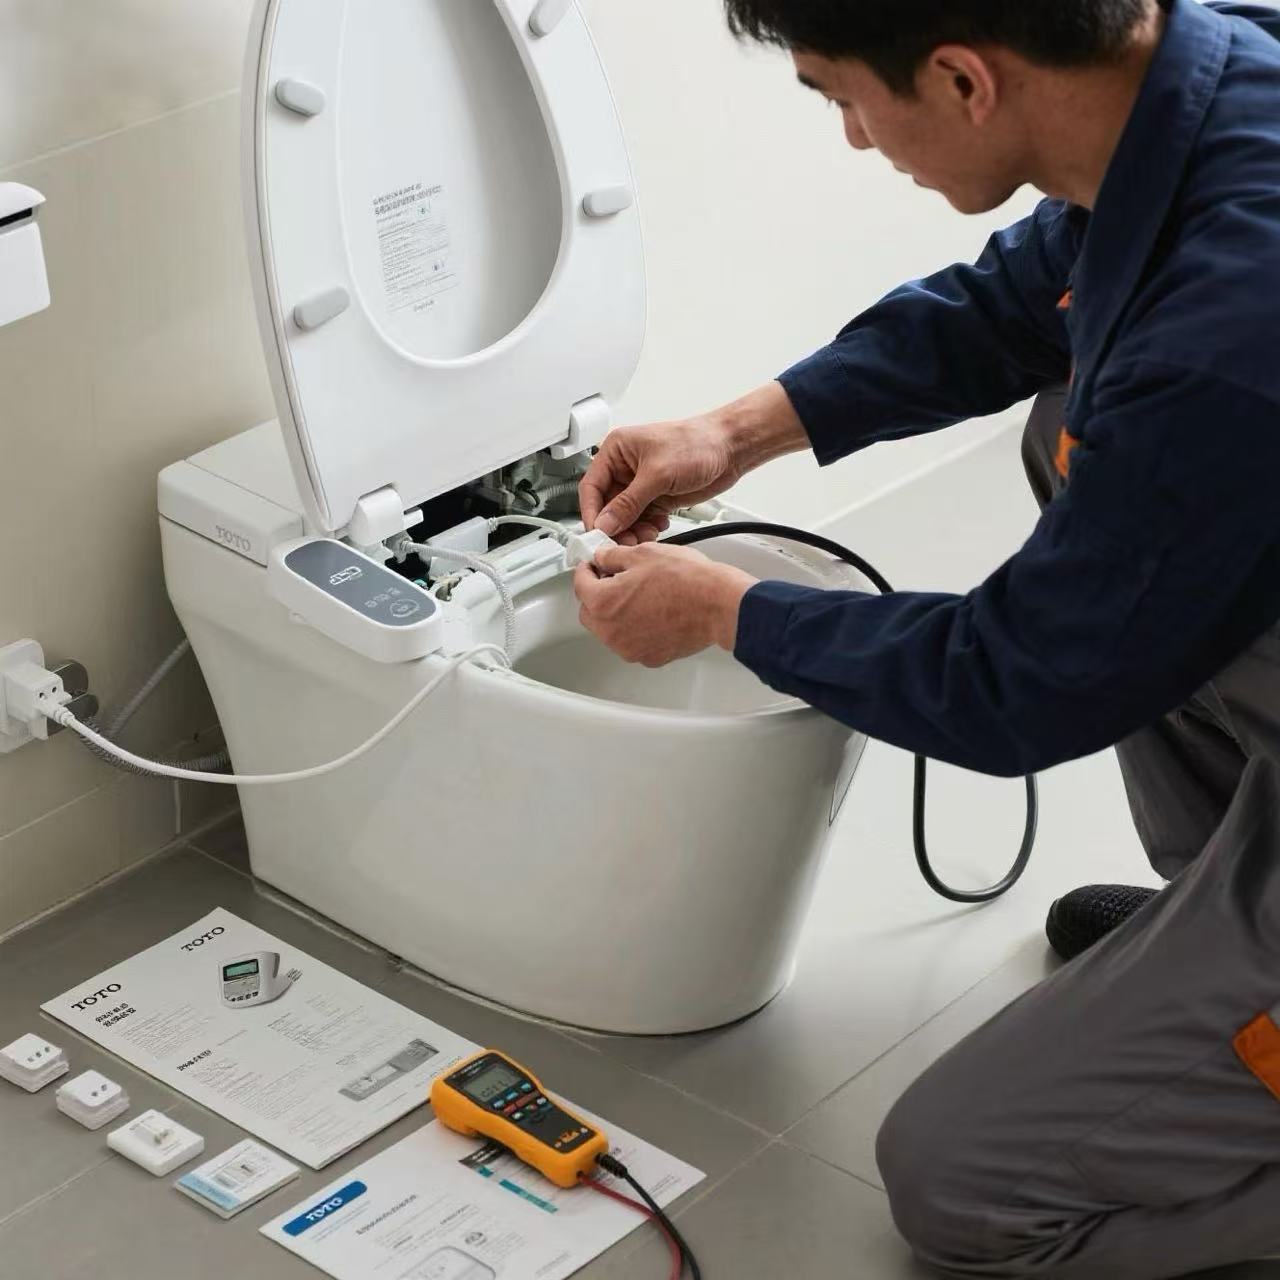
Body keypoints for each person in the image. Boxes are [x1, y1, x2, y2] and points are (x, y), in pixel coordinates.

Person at [573, 1, 1280, 1274]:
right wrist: (731, 433)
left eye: (842, 95)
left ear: (961, 78)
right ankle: (1216, 935)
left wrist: (725, 608)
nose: (852, 136)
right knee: (1076, 417)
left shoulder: (1229, 332)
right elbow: (1017, 303)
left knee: (963, 1183)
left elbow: (1019, 681)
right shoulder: (1204, 83)